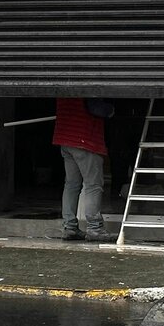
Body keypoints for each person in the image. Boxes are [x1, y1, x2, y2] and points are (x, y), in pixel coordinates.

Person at [53, 97, 113, 242]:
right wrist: (111, 110)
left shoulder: (63, 82)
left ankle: (70, 227)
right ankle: (95, 228)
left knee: (71, 185)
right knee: (93, 185)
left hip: (65, 139)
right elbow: (97, 108)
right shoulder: (88, 81)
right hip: (84, 139)